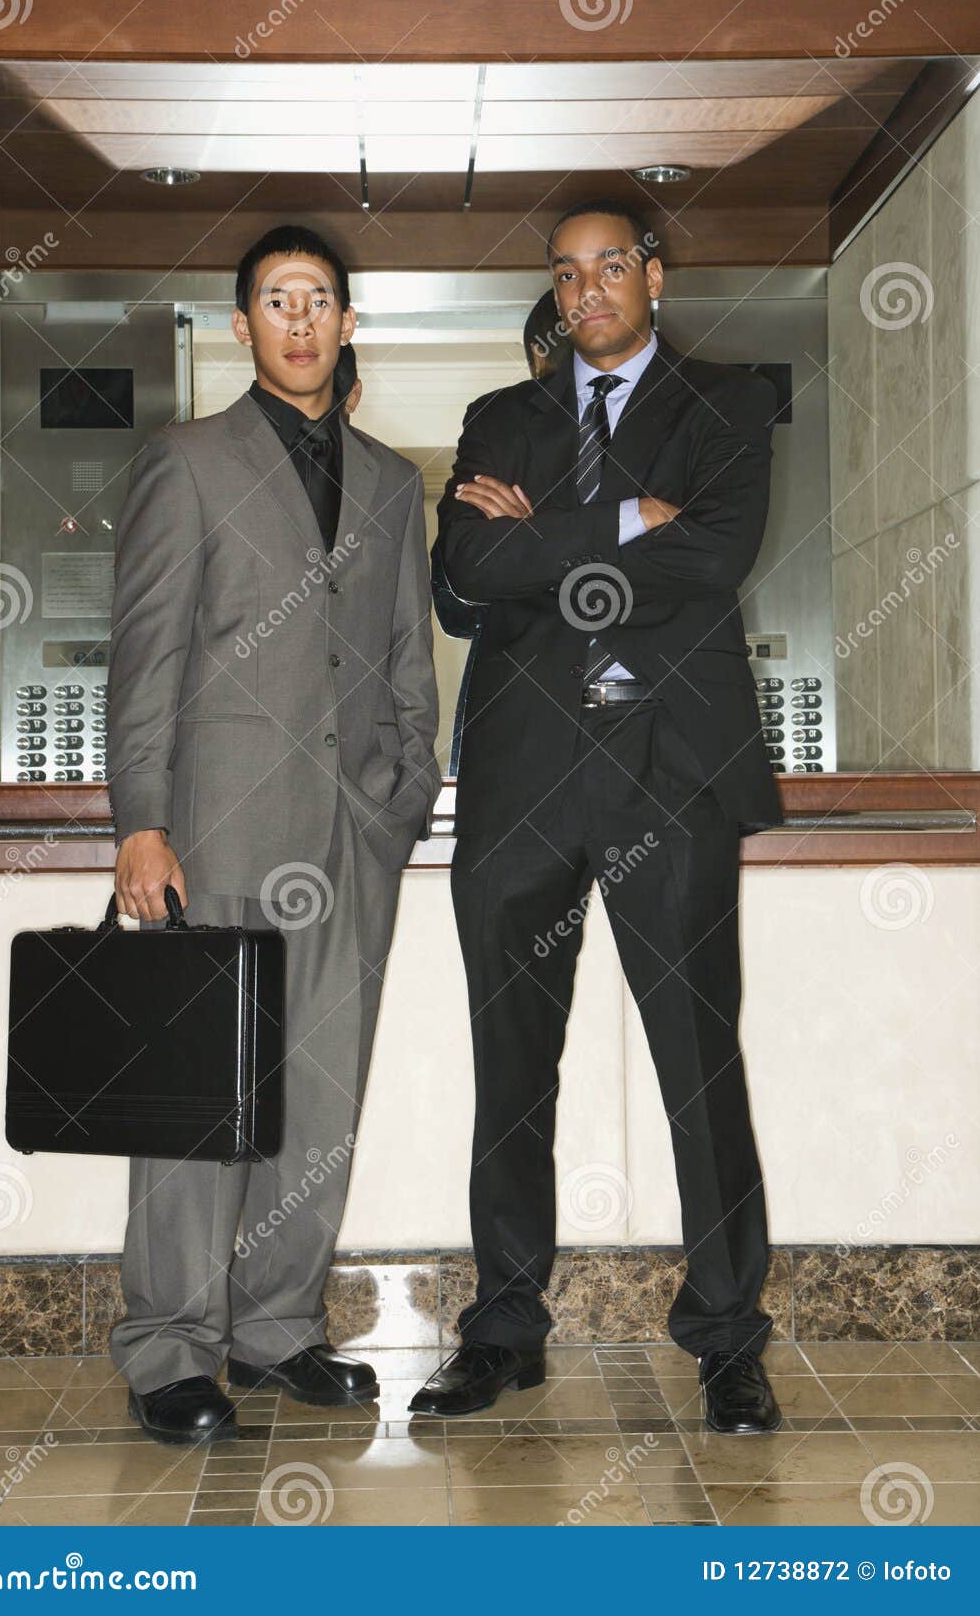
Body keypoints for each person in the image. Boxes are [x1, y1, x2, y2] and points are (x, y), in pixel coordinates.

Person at [411, 197, 783, 1435]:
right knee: (510, 1066)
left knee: (697, 1064)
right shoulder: (500, 418)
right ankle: (502, 1326)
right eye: (565, 274)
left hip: (668, 774)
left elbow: (714, 555)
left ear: (652, 276)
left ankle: (725, 1337)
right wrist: (630, 520)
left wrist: (543, 538)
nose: (587, 291)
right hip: (519, 780)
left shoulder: (725, 405)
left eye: (609, 265)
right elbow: (466, 575)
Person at [107, 224, 440, 1445]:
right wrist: (142, 821)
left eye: (318, 301)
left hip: (350, 839)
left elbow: (407, 655)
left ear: (347, 325)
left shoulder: (393, 483)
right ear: (243, 323)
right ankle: (169, 1346)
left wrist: (402, 796)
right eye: (275, 299)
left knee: (317, 1095)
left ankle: (274, 1324)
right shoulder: (186, 462)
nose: (299, 320)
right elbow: (145, 657)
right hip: (215, 829)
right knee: (202, 1097)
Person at [431, 287, 570, 773]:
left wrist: (529, 545)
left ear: (536, 352)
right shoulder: (498, 430)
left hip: (513, 718)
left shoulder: (496, 436)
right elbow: (456, 603)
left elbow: (456, 611)